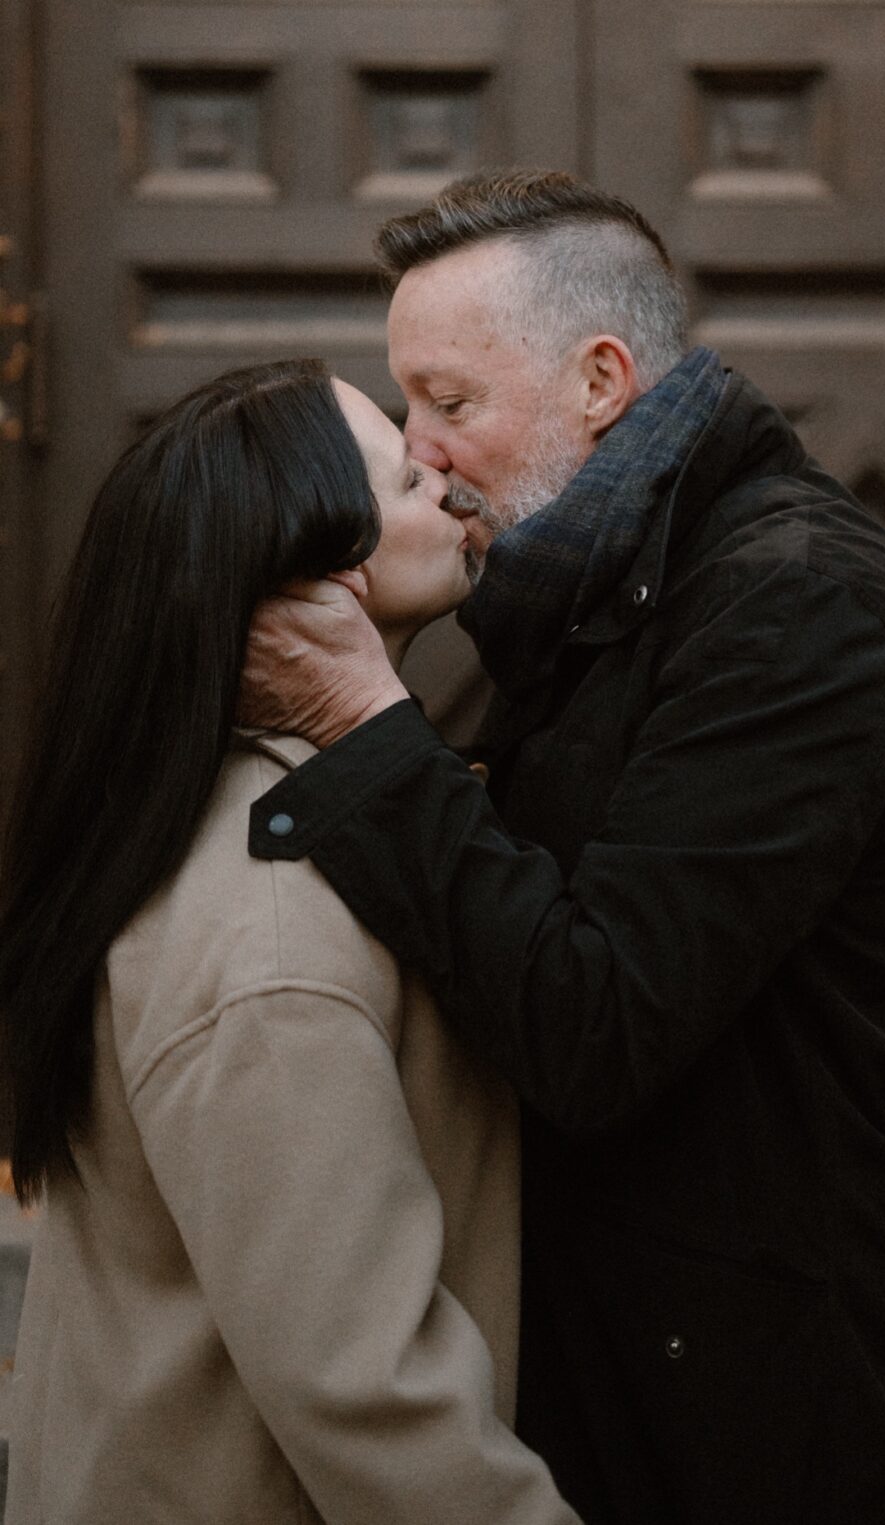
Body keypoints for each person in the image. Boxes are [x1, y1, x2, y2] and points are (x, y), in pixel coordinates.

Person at [237, 170, 885, 1521]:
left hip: (796, 1422)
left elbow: (595, 1023)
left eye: (451, 401)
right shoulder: (576, 588)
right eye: (409, 405)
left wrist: (359, 717)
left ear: (601, 380)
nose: (419, 452)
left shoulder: (794, 601)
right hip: (655, 1378)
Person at [0, 360, 579, 1523]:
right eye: (412, 479)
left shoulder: (271, 821)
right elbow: (371, 1396)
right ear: (330, 578)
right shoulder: (270, 931)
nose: (451, 484)